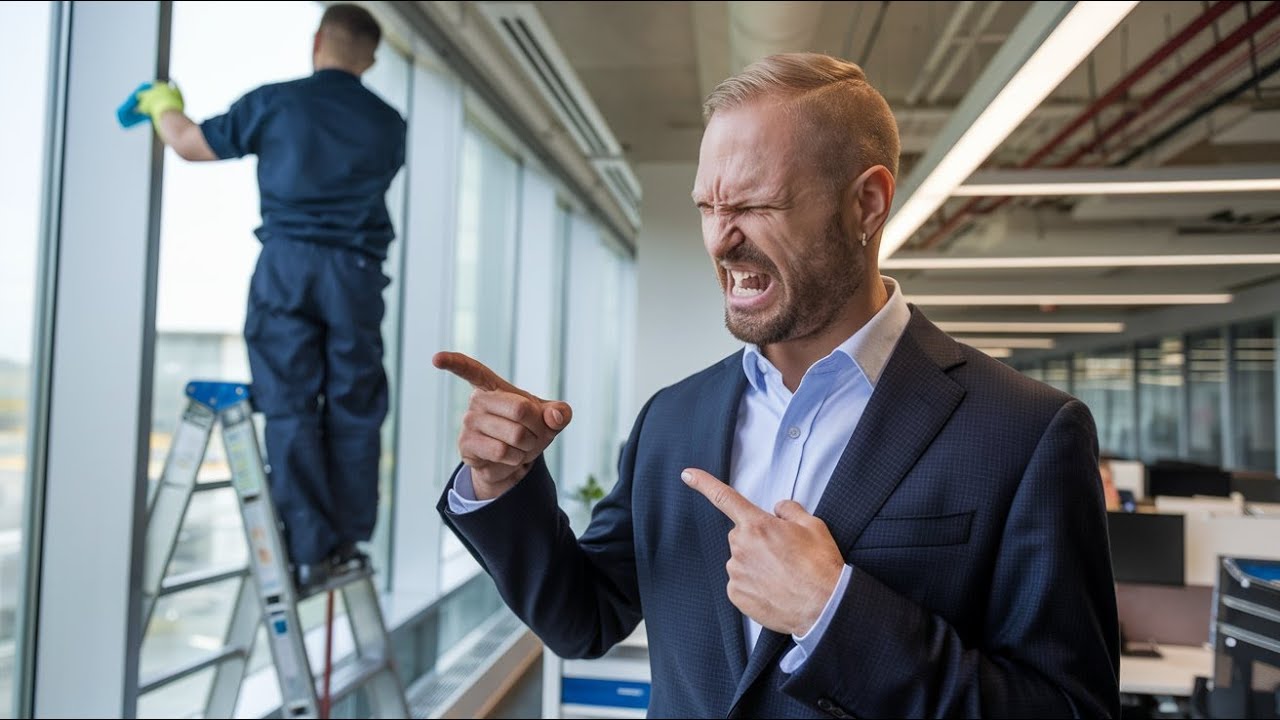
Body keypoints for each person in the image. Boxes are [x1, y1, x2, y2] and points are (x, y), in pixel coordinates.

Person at [434, 53, 1119, 717]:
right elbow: (584, 617)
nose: (722, 241)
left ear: (867, 205)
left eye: (757, 204)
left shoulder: (1022, 431)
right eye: (709, 206)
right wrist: (501, 484)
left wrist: (834, 613)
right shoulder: (673, 419)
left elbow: (1067, 706)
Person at [132, 3, 407, 595]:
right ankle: (349, 541)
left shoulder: (277, 101)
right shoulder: (390, 123)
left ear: (317, 43)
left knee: (289, 405)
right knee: (355, 406)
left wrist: (163, 104)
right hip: (357, 273)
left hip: (288, 267)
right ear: (371, 58)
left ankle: (307, 553)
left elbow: (189, 144)